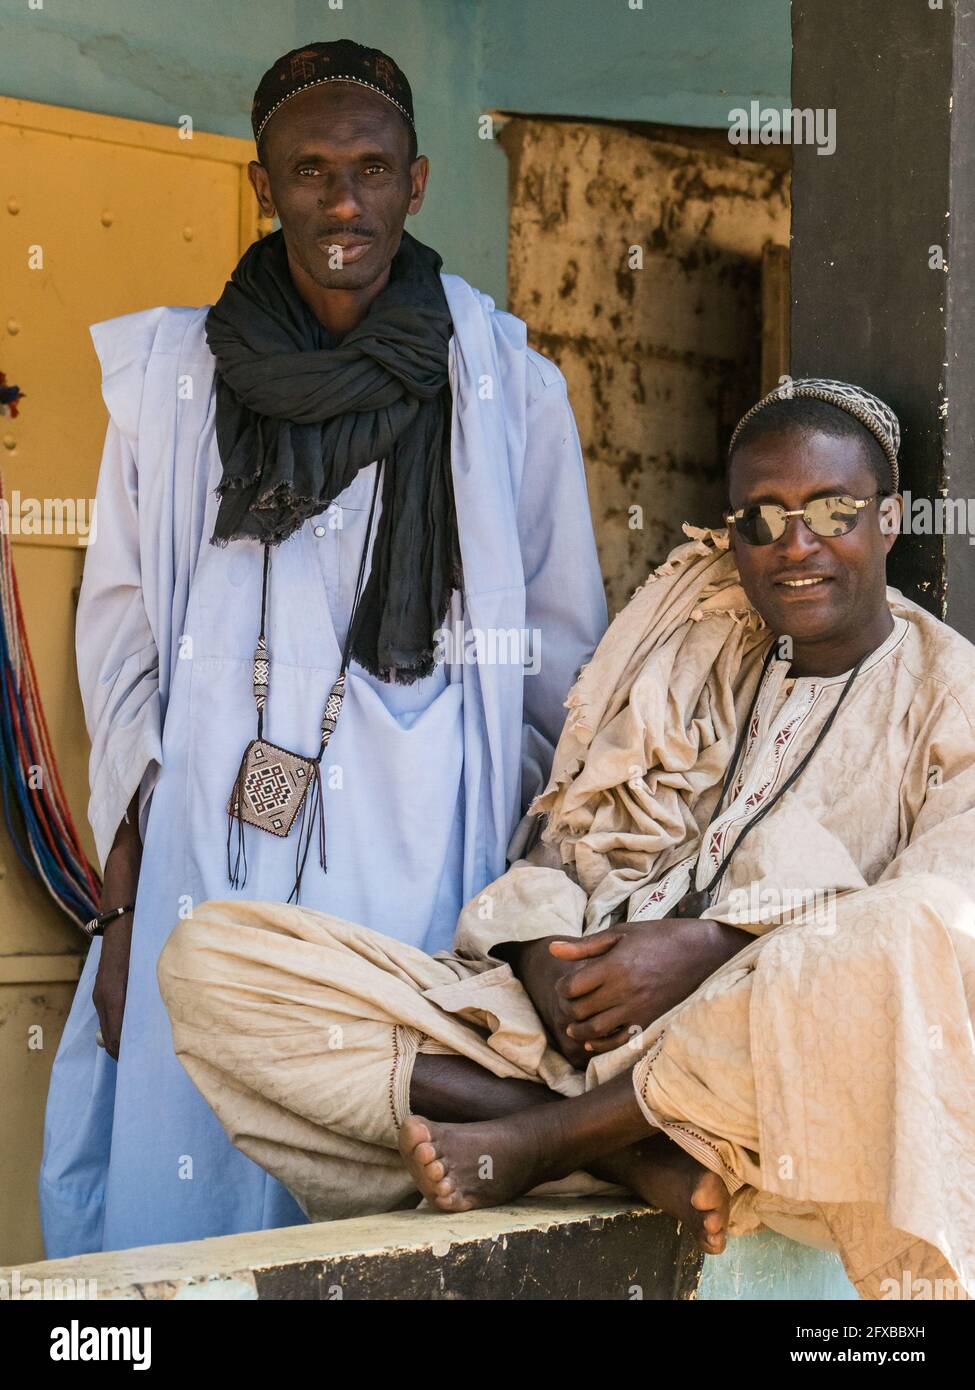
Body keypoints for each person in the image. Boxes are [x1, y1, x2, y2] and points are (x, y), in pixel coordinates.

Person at [159, 378, 975, 1300]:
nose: (796, 546)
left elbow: (936, 940)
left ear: (889, 518)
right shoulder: (694, 645)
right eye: (763, 518)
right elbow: (564, 840)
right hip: (568, 1043)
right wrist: (542, 956)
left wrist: (709, 949)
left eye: (833, 511)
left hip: (763, 1100)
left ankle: (547, 1140)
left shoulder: (951, 695)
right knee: (211, 958)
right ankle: (622, 1151)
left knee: (902, 934)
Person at [40, 39, 607, 1256]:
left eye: (370, 167)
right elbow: (123, 643)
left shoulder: (507, 386)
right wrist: (127, 902)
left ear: (417, 180)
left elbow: (561, 670)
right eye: (309, 170)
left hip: (423, 859)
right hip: (207, 844)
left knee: (383, 1173)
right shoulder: (173, 381)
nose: (342, 201)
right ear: (262, 185)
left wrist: (525, 914)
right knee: (190, 1183)